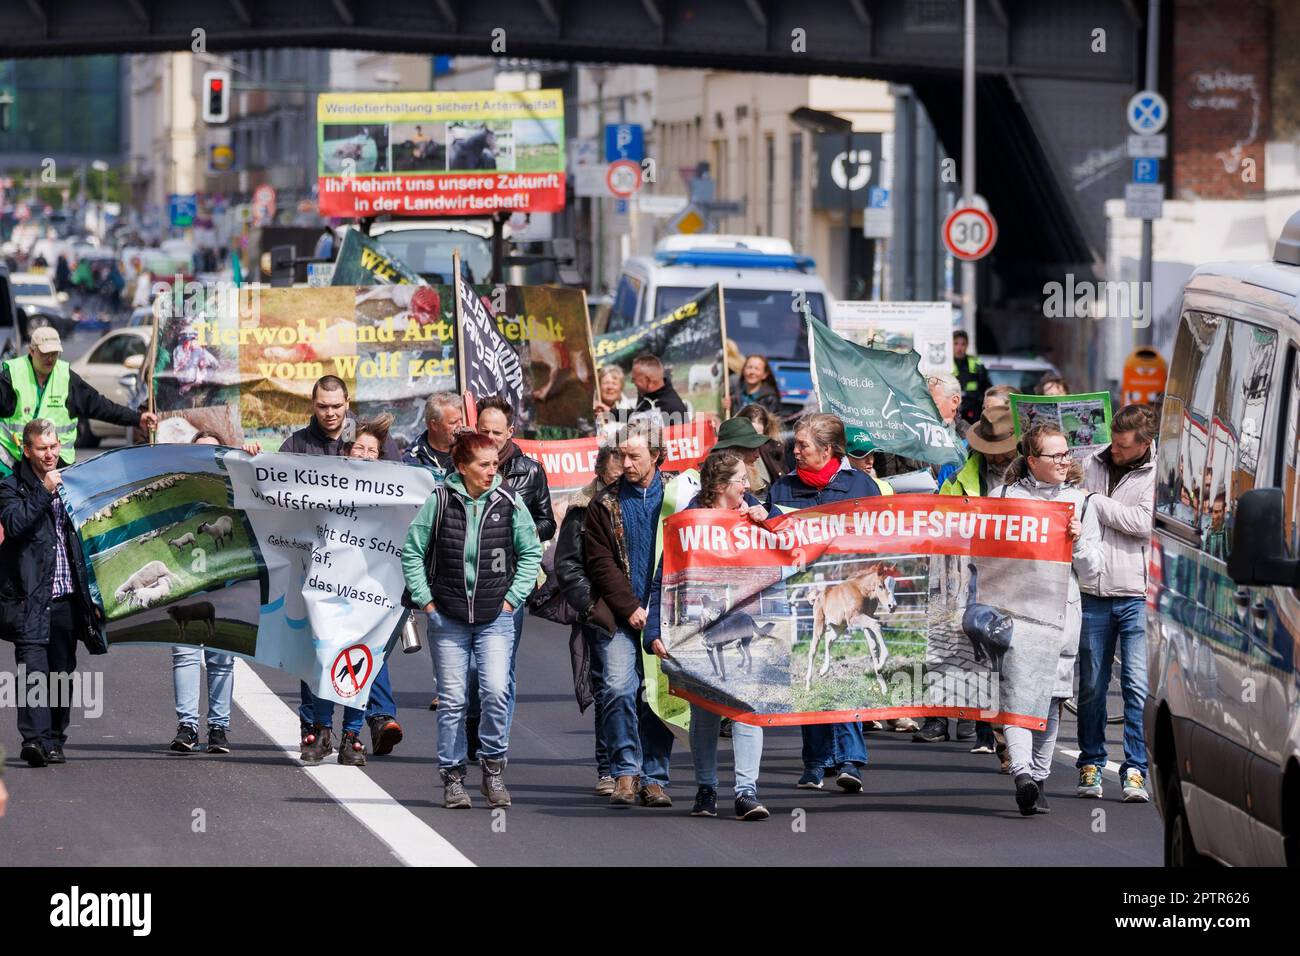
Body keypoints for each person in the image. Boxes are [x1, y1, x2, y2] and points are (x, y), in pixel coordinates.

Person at [402, 431, 542, 809]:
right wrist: (427, 602)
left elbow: (531, 553)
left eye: (495, 463)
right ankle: (452, 777)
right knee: (452, 701)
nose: (492, 470)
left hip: (496, 617)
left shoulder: (509, 501)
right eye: (483, 464)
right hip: (447, 618)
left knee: (496, 691)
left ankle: (493, 768)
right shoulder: (439, 499)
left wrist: (513, 600)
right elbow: (411, 552)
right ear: (462, 467)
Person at [644, 451, 773, 820]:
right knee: (706, 715)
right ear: (719, 487)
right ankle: (706, 789)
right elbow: (663, 579)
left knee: (746, 709)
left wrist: (770, 518)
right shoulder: (688, 523)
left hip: (744, 621)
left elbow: (792, 538)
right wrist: (654, 630)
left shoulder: (756, 515)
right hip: (698, 629)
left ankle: (746, 792)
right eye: (740, 481)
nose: (747, 486)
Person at [284, 375, 403, 763]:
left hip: (369, 580)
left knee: (361, 655)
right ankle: (318, 731)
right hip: (319, 574)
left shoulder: (380, 452)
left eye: (337, 406)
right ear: (313, 403)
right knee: (319, 653)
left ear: (347, 403)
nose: (330, 412)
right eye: (323, 406)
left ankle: (353, 734)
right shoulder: (298, 446)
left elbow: (409, 496)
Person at [767, 413, 879, 791]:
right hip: (804, 595)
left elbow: (881, 538)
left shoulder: (860, 486)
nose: (794, 451)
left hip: (846, 596)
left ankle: (850, 761)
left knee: (845, 671)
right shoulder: (782, 490)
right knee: (811, 674)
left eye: (803, 446)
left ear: (828, 449)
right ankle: (815, 762)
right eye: (795, 444)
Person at [996, 422, 1102, 815]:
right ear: (1031, 460)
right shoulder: (1003, 497)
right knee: (1018, 695)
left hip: (1060, 617)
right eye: (1054, 455)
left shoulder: (1081, 502)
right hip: (1015, 615)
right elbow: (980, 555)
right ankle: (1022, 772)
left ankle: (1038, 777)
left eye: (1065, 454)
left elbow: (1093, 573)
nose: (1063, 461)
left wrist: (1076, 544)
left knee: (1052, 701)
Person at [0, 419, 107, 767]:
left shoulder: (71, 481)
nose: (50, 454)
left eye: (54, 447)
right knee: (33, 671)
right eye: (43, 449)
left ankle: (56, 738)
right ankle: (34, 740)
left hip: (66, 597)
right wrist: (44, 491)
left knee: (61, 671)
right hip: (29, 596)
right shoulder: (10, 487)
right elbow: (15, 525)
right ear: (27, 450)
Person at [583, 424, 678, 807]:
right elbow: (600, 563)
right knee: (618, 688)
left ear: (656, 455)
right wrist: (631, 608)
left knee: (656, 696)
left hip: (667, 614)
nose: (626, 463)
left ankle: (654, 777)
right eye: (622, 455)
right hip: (622, 617)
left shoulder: (679, 497)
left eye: (634, 456)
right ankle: (624, 771)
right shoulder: (604, 504)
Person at [466, 395, 555, 754]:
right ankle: (474, 726)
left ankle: (496, 742)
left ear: (511, 432)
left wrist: (520, 528)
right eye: (483, 430)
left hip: (510, 582)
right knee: (472, 669)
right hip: (468, 581)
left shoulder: (530, 471)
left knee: (501, 668)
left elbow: (548, 521)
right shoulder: (462, 466)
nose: (490, 437)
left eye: (497, 432)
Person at [928, 406, 1020, 752]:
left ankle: (1007, 736)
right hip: (978, 577)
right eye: (991, 452)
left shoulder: (1032, 479)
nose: (998, 460)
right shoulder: (961, 479)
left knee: (1013, 658)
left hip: (1020, 577)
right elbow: (943, 523)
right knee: (985, 651)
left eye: (1004, 452)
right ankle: (992, 733)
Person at [1076, 403, 1156, 803]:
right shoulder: (1094, 461)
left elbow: (1144, 523)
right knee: (1091, 685)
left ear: (1146, 444)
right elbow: (1073, 502)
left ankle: (1136, 768)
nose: (1116, 451)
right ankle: (1090, 762)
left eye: (1124, 446)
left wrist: (1094, 503)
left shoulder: (1159, 472)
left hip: (1137, 595)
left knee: (1136, 686)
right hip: (1092, 591)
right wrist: (1087, 500)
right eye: (1115, 442)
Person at [554, 445, 624, 795]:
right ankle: (608, 768)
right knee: (608, 688)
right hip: (602, 612)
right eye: (612, 480)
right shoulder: (582, 510)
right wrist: (590, 604)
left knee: (639, 692)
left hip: (640, 610)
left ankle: (642, 770)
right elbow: (567, 563)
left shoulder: (641, 502)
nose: (618, 486)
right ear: (599, 476)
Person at [168, 430, 242, 755]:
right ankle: (187, 726)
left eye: (213, 454)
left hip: (225, 586)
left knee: (222, 657)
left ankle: (218, 728)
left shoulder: (236, 493)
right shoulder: (180, 495)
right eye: (198, 454)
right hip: (187, 584)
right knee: (184, 654)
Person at [0, 328, 159, 477]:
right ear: (32, 351)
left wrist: (138, 419)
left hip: (55, 464)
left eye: (54, 353)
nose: (50, 358)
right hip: (15, 462)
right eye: (45, 353)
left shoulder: (66, 377)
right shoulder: (12, 375)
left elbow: (100, 406)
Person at [403, 391, 462, 480]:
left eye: (461, 419)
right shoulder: (414, 459)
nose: (460, 426)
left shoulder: (469, 447)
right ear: (434, 425)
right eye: (453, 422)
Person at [734, 403, 787, 494]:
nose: (755, 442)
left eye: (758, 436)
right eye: (750, 435)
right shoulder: (730, 457)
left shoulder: (775, 450)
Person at [630, 354, 689, 423]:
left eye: (634, 380)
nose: (632, 382)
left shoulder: (672, 409)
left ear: (648, 381)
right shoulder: (647, 395)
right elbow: (637, 413)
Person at [952, 330, 992, 425]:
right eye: (956, 343)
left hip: (974, 411)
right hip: (953, 410)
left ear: (967, 345)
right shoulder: (945, 364)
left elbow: (987, 387)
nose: (959, 347)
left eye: (963, 344)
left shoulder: (977, 363)